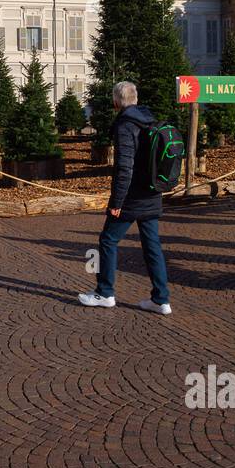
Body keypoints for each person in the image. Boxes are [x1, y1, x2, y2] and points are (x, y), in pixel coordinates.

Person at [77, 81, 171, 314]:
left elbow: (124, 167)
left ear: (116, 102)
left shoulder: (125, 125)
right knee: (152, 245)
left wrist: (116, 203)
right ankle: (161, 299)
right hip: (152, 191)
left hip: (132, 196)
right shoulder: (149, 118)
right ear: (135, 99)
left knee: (108, 240)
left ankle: (104, 292)